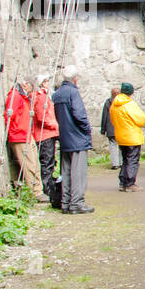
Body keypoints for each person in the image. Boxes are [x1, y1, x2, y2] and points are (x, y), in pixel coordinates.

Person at [51, 65, 94, 213]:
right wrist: (87, 130)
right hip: (77, 137)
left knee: (66, 171)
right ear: (75, 79)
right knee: (78, 173)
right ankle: (76, 203)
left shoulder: (57, 94)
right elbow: (79, 115)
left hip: (65, 136)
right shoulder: (73, 93)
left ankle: (65, 202)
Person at [3, 76, 43, 199]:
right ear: (25, 84)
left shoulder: (22, 96)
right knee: (29, 164)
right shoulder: (16, 96)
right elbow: (10, 115)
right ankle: (35, 192)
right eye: (31, 88)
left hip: (25, 133)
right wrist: (15, 130)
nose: (31, 91)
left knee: (34, 163)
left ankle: (37, 190)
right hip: (20, 135)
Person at [108, 83, 145, 191]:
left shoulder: (114, 104)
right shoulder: (129, 104)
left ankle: (123, 182)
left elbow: (112, 119)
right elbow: (142, 119)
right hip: (132, 136)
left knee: (125, 159)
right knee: (132, 160)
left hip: (120, 134)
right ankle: (130, 183)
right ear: (131, 92)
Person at [31, 75, 59, 198]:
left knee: (48, 161)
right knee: (47, 162)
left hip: (46, 133)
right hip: (45, 134)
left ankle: (47, 187)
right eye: (46, 81)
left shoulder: (42, 96)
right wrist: (55, 126)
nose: (48, 83)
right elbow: (43, 116)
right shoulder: (41, 97)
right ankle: (46, 188)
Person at [100, 87, 122, 170]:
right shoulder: (123, 102)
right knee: (121, 146)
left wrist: (103, 129)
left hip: (111, 128)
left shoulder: (108, 102)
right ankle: (121, 162)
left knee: (113, 146)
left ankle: (115, 164)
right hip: (121, 127)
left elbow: (104, 116)